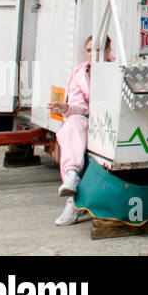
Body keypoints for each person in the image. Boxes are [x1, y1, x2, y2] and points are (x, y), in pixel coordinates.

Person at [51, 35, 110, 226]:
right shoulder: (80, 74)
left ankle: (73, 205)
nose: (92, 54)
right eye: (89, 50)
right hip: (89, 118)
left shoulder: (116, 69)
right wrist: (67, 108)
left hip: (110, 119)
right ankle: (71, 176)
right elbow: (79, 106)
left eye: (97, 49)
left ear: (108, 51)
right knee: (71, 124)